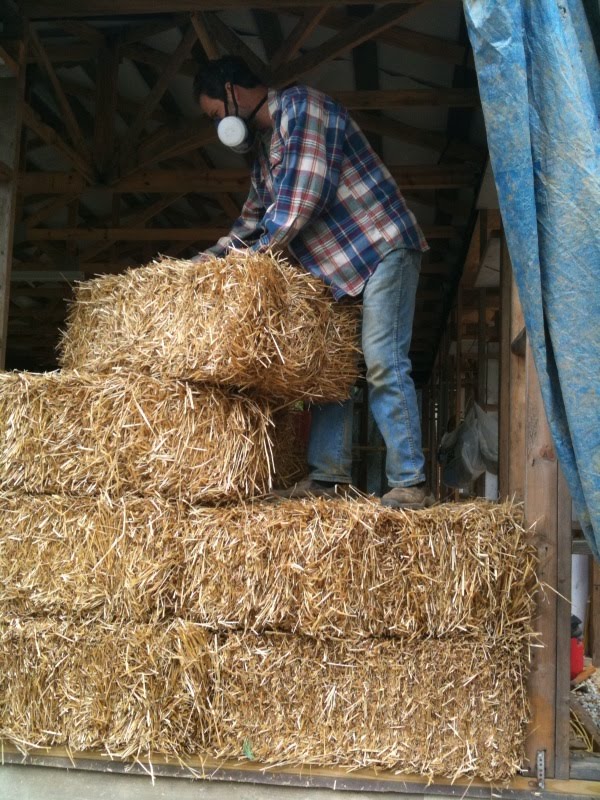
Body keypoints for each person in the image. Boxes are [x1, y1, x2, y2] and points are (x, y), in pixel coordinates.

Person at [193, 55, 432, 509]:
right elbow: (250, 221)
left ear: (232, 92)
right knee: (329, 372)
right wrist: (199, 267)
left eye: (214, 115)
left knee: (382, 361)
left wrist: (252, 265)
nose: (218, 126)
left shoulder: (304, 109)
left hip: (380, 247)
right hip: (337, 271)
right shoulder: (265, 152)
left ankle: (410, 481)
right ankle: (329, 478)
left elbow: (302, 201)